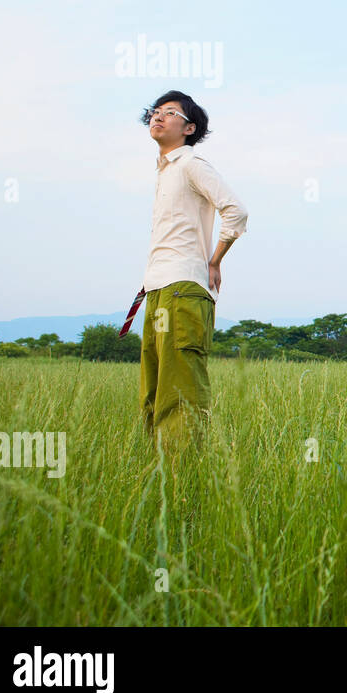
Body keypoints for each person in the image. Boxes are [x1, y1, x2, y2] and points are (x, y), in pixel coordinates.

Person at [130, 91, 247, 456]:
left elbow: (236, 211)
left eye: (170, 112)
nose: (158, 116)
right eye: (155, 111)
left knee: (180, 394)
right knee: (153, 392)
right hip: (158, 289)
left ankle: (185, 480)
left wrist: (215, 260)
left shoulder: (191, 163)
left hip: (182, 290)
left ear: (189, 128)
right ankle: (158, 473)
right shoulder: (165, 171)